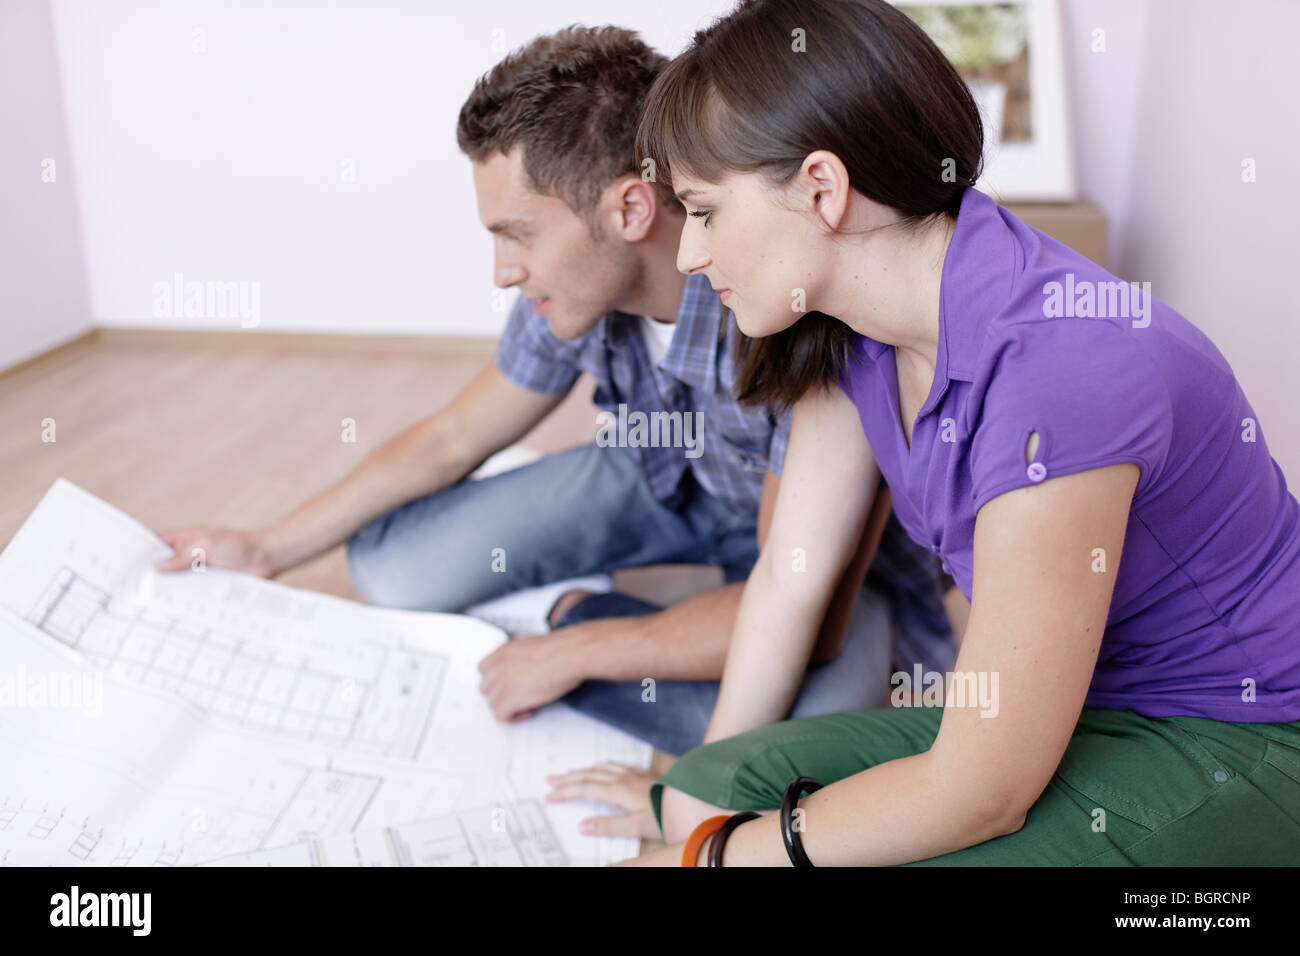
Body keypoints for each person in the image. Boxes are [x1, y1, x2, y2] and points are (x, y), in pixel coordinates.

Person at [150, 24, 958, 768]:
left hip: (809, 552)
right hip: (654, 476)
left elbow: (802, 611)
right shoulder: (570, 289)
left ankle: (575, 617)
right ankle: (624, 624)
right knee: (390, 569)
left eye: (517, 235)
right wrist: (264, 547)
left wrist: (574, 649)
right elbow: (449, 439)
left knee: (818, 726)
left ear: (629, 208)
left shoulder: (785, 300)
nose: (503, 271)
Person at [616, 0, 1300, 865]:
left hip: (1246, 734)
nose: (688, 256)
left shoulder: (1062, 370)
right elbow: (792, 583)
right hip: (1073, 703)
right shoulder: (848, 329)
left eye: (705, 212)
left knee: (779, 847)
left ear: (821, 189)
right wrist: (701, 806)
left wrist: (713, 862)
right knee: (699, 800)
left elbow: (983, 792)